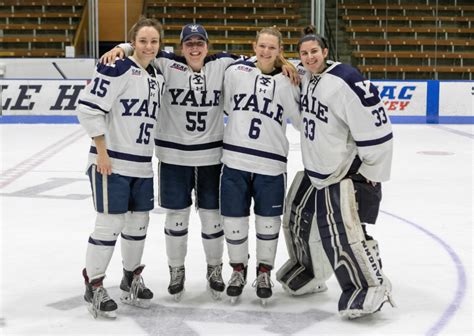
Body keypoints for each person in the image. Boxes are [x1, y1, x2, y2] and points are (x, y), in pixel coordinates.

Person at [100, 24, 299, 301]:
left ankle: (215, 269)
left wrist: (284, 62)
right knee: (177, 218)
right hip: (173, 157)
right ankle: (176, 270)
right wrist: (121, 47)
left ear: (207, 45)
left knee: (213, 219)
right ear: (181, 47)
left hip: (211, 157)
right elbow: (142, 47)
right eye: (189, 43)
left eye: (200, 43)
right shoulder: (166, 63)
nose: (195, 48)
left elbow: (261, 58)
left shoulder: (225, 64)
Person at [283, 25, 395, 318]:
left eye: (314, 52)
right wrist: (286, 64)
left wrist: (372, 169)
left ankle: (368, 285)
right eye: (304, 54)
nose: (309, 58)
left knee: (343, 234)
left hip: (343, 172)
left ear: (326, 52)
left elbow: (377, 127)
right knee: (297, 218)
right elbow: (283, 62)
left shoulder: (346, 79)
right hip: (316, 170)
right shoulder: (306, 75)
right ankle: (309, 270)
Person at [77, 17, 165, 318]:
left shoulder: (157, 73)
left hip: (141, 164)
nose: (149, 46)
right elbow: (87, 109)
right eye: (142, 41)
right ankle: (95, 284)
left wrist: (125, 46)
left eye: (154, 41)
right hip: (112, 161)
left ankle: (130, 278)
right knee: (109, 224)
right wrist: (101, 153)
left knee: (138, 225)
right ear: (134, 42)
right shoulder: (117, 66)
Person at [220, 26, 300, 305]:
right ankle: (238, 270)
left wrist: (292, 68)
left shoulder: (290, 80)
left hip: (271, 163)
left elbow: (301, 120)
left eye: (272, 48)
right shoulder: (235, 71)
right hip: (235, 160)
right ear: (254, 46)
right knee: (234, 221)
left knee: (268, 223)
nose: (266, 51)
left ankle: (264, 271)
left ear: (280, 51)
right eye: (262, 46)